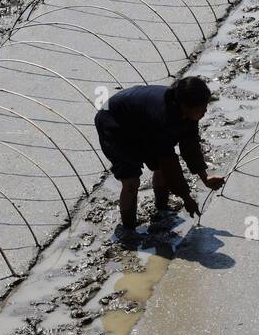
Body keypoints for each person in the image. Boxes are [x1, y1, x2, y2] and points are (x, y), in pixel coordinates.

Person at [94, 77, 225, 236]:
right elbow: (169, 162)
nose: (205, 111)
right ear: (185, 106)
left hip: (142, 124)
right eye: (202, 107)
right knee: (131, 181)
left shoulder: (188, 113)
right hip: (115, 123)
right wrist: (186, 198)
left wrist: (205, 178)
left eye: (206, 105)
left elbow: (190, 147)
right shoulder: (164, 116)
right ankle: (128, 230)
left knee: (161, 169)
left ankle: (162, 209)